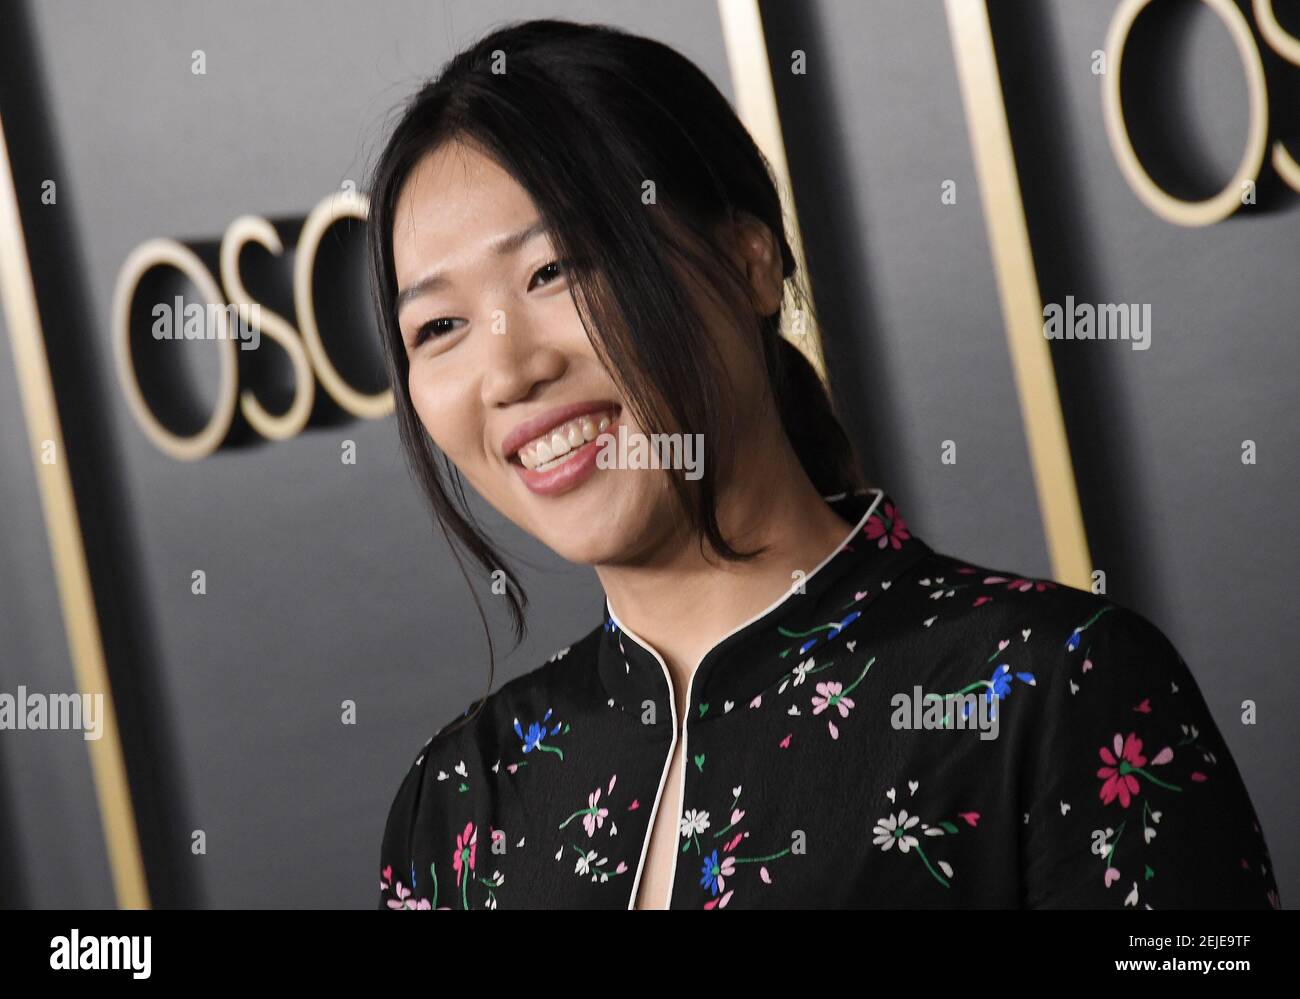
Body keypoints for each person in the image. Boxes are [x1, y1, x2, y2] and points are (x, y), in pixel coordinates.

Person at [366, 18, 1279, 910]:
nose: (510, 370)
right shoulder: (460, 804)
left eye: (555, 269)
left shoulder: (1054, 688)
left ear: (749, 260)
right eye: (438, 327)